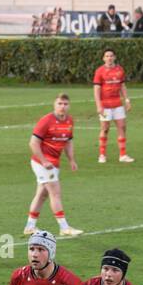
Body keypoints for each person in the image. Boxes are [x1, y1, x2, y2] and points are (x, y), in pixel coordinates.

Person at [25, 94, 83, 238]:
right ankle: (64, 227)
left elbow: (68, 142)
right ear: (54, 105)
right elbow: (33, 143)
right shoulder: (46, 120)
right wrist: (43, 160)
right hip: (42, 163)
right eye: (60, 103)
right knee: (55, 193)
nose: (62, 106)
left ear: (69, 106)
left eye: (65, 104)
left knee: (42, 194)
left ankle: (30, 226)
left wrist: (71, 160)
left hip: (53, 163)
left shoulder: (69, 121)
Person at [93, 48, 133, 164]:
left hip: (117, 104)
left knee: (122, 127)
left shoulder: (120, 70)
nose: (109, 58)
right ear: (103, 58)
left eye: (111, 56)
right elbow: (96, 89)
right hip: (105, 105)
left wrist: (127, 100)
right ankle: (102, 155)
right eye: (107, 56)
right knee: (105, 129)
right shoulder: (99, 71)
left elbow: (122, 86)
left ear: (114, 57)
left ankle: (123, 155)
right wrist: (98, 106)